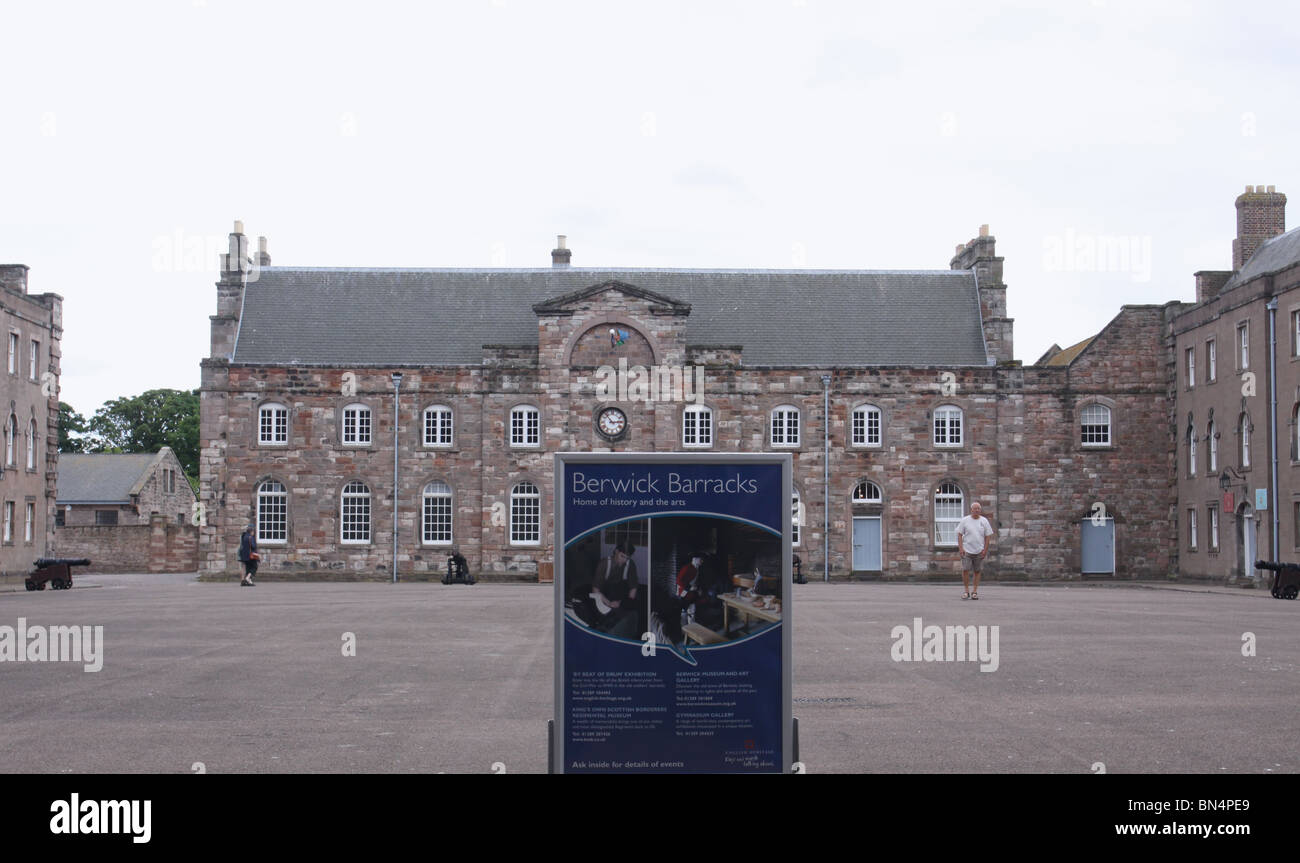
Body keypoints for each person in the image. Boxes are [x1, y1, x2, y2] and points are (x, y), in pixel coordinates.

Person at [591, 541, 640, 638]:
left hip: (621, 593)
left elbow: (633, 589)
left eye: (627, 558)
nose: (624, 561)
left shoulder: (631, 564)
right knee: (605, 618)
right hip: (604, 593)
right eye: (622, 556)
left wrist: (622, 603)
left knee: (631, 612)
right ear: (616, 551)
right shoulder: (604, 563)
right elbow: (595, 590)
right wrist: (608, 603)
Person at [956, 502, 994, 599]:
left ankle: (975, 591)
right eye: (974, 508)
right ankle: (966, 591)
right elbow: (959, 534)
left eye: (978, 509)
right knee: (965, 569)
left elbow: (988, 536)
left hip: (979, 550)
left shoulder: (984, 521)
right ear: (971, 510)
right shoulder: (965, 520)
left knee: (977, 571)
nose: (976, 510)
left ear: (980, 510)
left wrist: (985, 550)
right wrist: (961, 548)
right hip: (966, 550)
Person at [676, 552, 705, 619]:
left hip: (692, 593)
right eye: (701, 560)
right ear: (695, 559)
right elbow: (678, 581)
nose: (702, 561)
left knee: (692, 611)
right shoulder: (686, 568)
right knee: (683, 612)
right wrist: (690, 588)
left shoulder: (697, 568)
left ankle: (691, 626)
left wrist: (698, 589)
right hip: (684, 593)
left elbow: (696, 581)